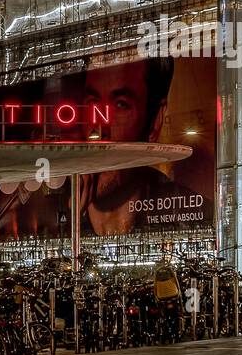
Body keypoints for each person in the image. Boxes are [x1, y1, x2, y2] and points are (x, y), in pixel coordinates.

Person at [80, 58, 190, 235]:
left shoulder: (188, 211)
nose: (100, 129)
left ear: (155, 121)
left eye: (120, 105)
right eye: (92, 102)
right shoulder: (44, 212)